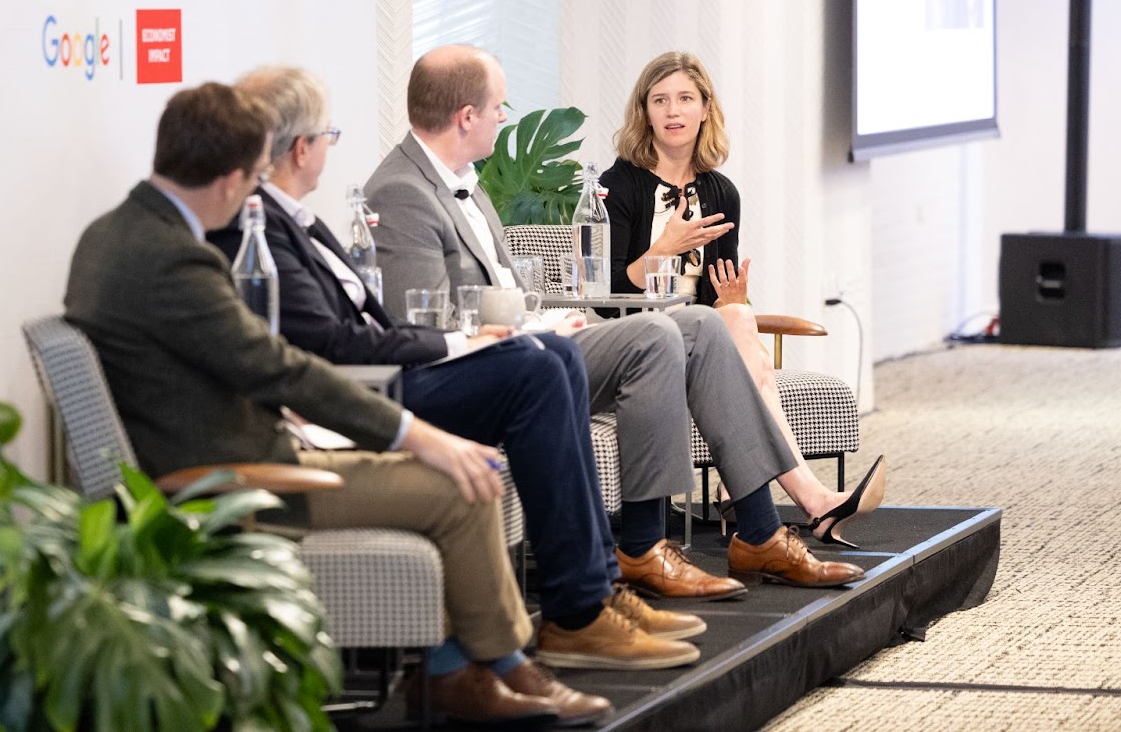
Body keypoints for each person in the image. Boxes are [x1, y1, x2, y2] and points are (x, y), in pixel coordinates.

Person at [65, 82, 576, 725]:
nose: (255, 192)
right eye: (253, 177)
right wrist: (417, 434)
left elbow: (228, 366)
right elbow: (279, 367)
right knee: (466, 481)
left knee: (457, 465)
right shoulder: (175, 259)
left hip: (209, 459)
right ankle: (492, 669)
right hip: (231, 487)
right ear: (230, 179)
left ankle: (463, 670)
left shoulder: (109, 235)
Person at [207, 67, 703, 697]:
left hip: (387, 370)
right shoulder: (262, 228)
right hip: (367, 394)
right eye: (328, 134)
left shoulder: (292, 219)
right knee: (534, 368)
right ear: (302, 147)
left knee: (552, 356)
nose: (331, 146)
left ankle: (594, 593)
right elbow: (334, 343)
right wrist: (459, 342)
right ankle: (577, 610)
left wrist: (480, 337)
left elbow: (366, 319)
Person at [365, 45, 865, 597]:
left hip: (532, 343)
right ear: (466, 117)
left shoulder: (466, 184)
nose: (504, 118)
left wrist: (544, 318)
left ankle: (760, 532)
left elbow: (506, 289)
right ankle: (645, 548)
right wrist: (533, 328)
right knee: (655, 330)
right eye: (497, 107)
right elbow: (420, 324)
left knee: (702, 324)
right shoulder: (403, 191)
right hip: (491, 366)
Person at [601, 51, 886, 547]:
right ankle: (810, 500)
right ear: (644, 112)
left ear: (705, 109)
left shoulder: (720, 192)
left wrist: (733, 299)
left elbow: (714, 294)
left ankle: (770, 496)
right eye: (660, 100)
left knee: (734, 314)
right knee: (737, 335)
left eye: (685, 99)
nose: (673, 111)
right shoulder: (619, 184)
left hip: (702, 342)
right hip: (642, 340)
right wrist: (663, 250)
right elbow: (606, 299)